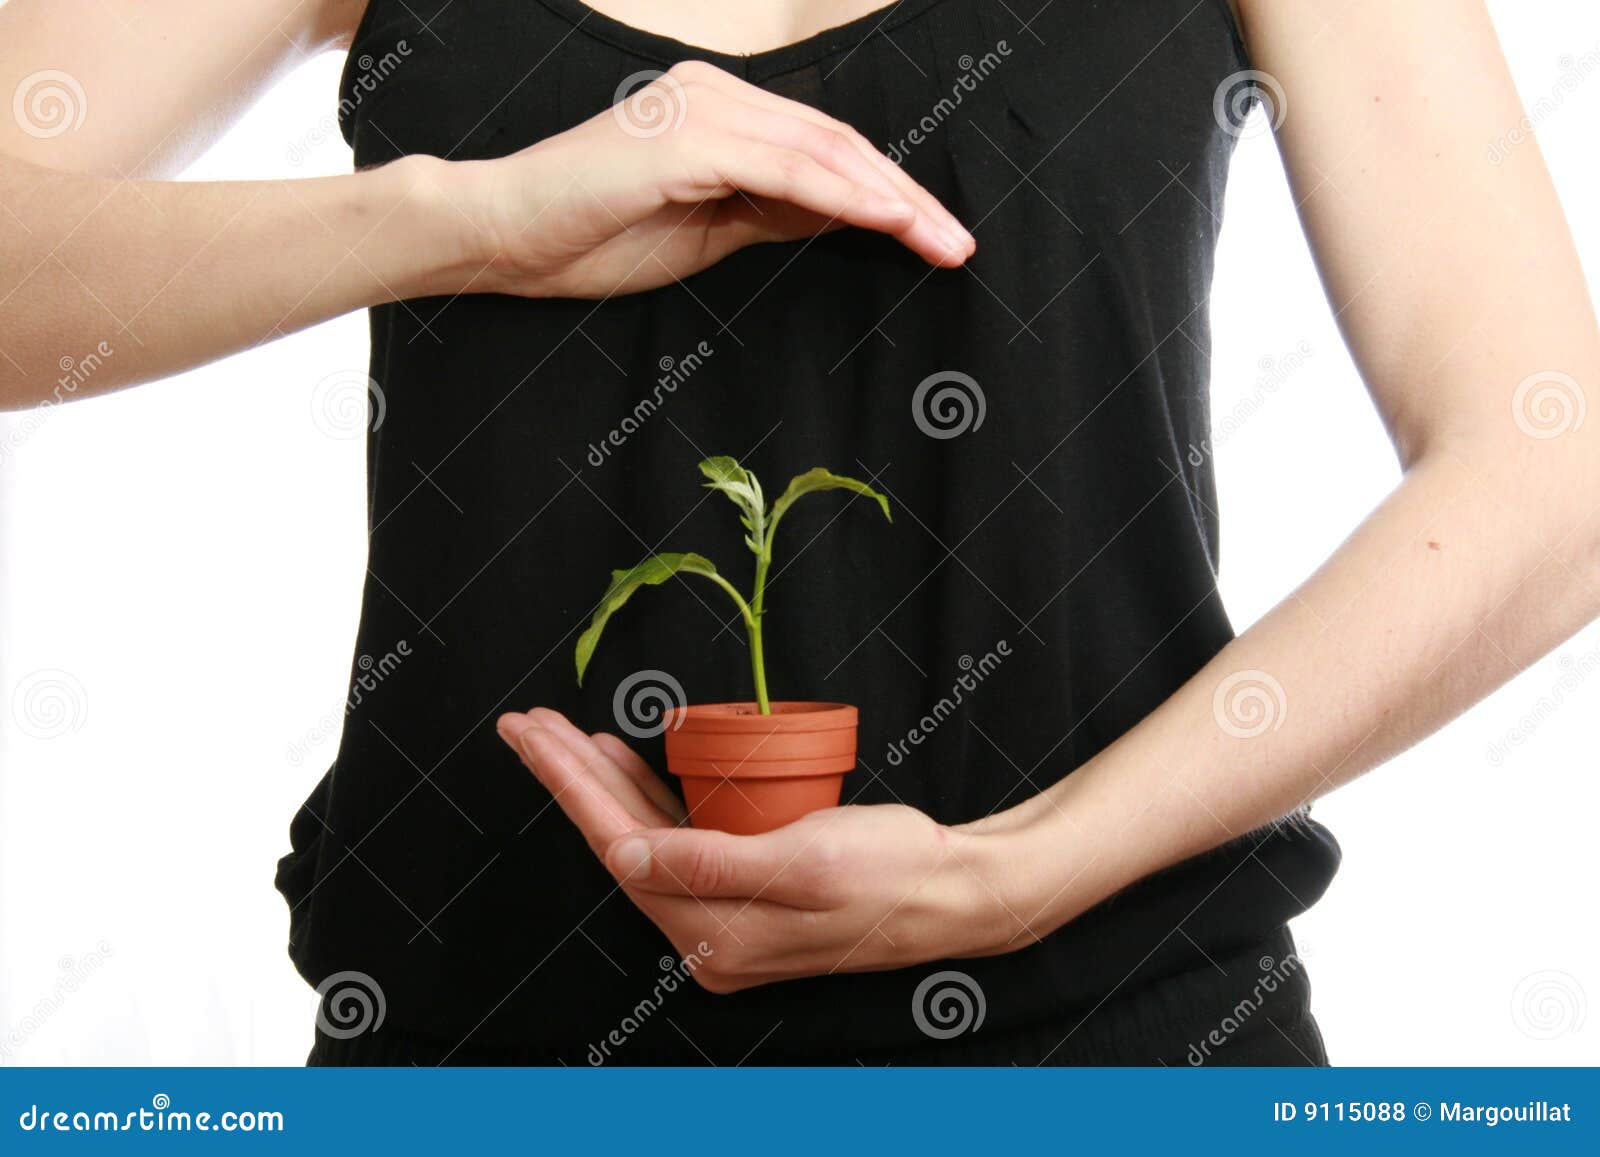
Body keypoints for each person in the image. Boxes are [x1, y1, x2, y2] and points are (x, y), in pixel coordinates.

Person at [2, 0, 1595, 1065]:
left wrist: (1015, 877)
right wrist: (456, 219)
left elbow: (1550, 467)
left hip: (1125, 1050)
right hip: (477, 1046)